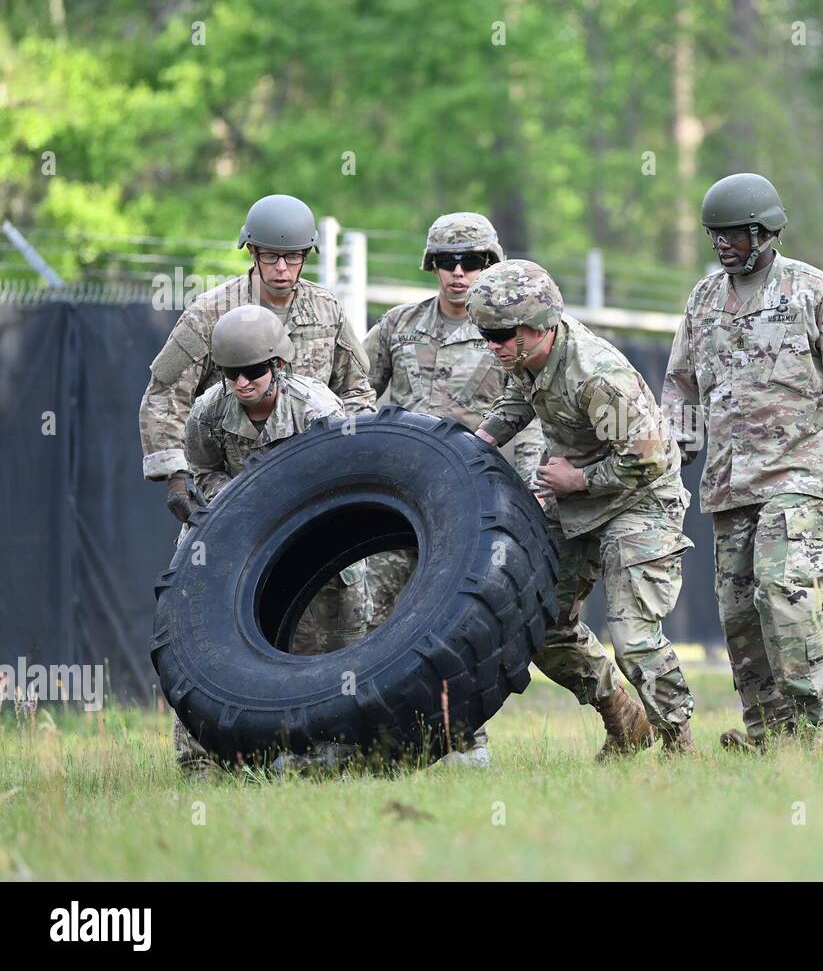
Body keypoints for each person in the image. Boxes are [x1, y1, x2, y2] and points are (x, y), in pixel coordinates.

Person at [661, 172, 823, 749]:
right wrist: (675, 449)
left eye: (735, 233)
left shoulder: (815, 293)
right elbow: (681, 385)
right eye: (716, 235)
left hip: (799, 475)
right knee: (739, 612)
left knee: (786, 593)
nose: (723, 245)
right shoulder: (703, 301)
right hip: (729, 484)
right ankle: (768, 732)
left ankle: (810, 733)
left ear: (765, 232)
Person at [470, 259, 698, 757]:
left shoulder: (596, 374)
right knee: (538, 623)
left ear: (538, 327)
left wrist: (578, 479)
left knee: (634, 637)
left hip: (639, 499)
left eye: (503, 334)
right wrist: (476, 446)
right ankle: (624, 717)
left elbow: (650, 457)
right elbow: (516, 405)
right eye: (486, 332)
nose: (494, 344)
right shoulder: (526, 360)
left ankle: (680, 746)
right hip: (577, 502)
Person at [363, 211, 543, 767]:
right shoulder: (398, 327)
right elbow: (350, 393)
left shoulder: (508, 331)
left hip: (476, 503)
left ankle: (463, 737)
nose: (458, 273)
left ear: (491, 264)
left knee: (461, 622)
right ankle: (380, 737)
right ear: (432, 266)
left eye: (471, 262)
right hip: (401, 501)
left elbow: (533, 416)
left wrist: (536, 489)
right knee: (382, 616)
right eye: (446, 262)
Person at [174, 305, 370, 773]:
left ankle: (331, 752)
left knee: (334, 645)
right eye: (232, 373)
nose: (243, 383)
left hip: (318, 529)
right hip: (238, 533)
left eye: (254, 372)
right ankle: (203, 760)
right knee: (201, 640)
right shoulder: (210, 410)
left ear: (277, 366)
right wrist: (243, 502)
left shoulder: (317, 409)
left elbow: (349, 472)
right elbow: (202, 470)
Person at [140, 194, 375, 524]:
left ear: (306, 255)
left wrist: (351, 457)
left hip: (315, 482)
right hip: (229, 484)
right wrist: (176, 476)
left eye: (292, 257)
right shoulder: (212, 312)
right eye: (271, 256)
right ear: (252, 251)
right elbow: (166, 394)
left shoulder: (325, 309)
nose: (282, 268)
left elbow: (356, 391)